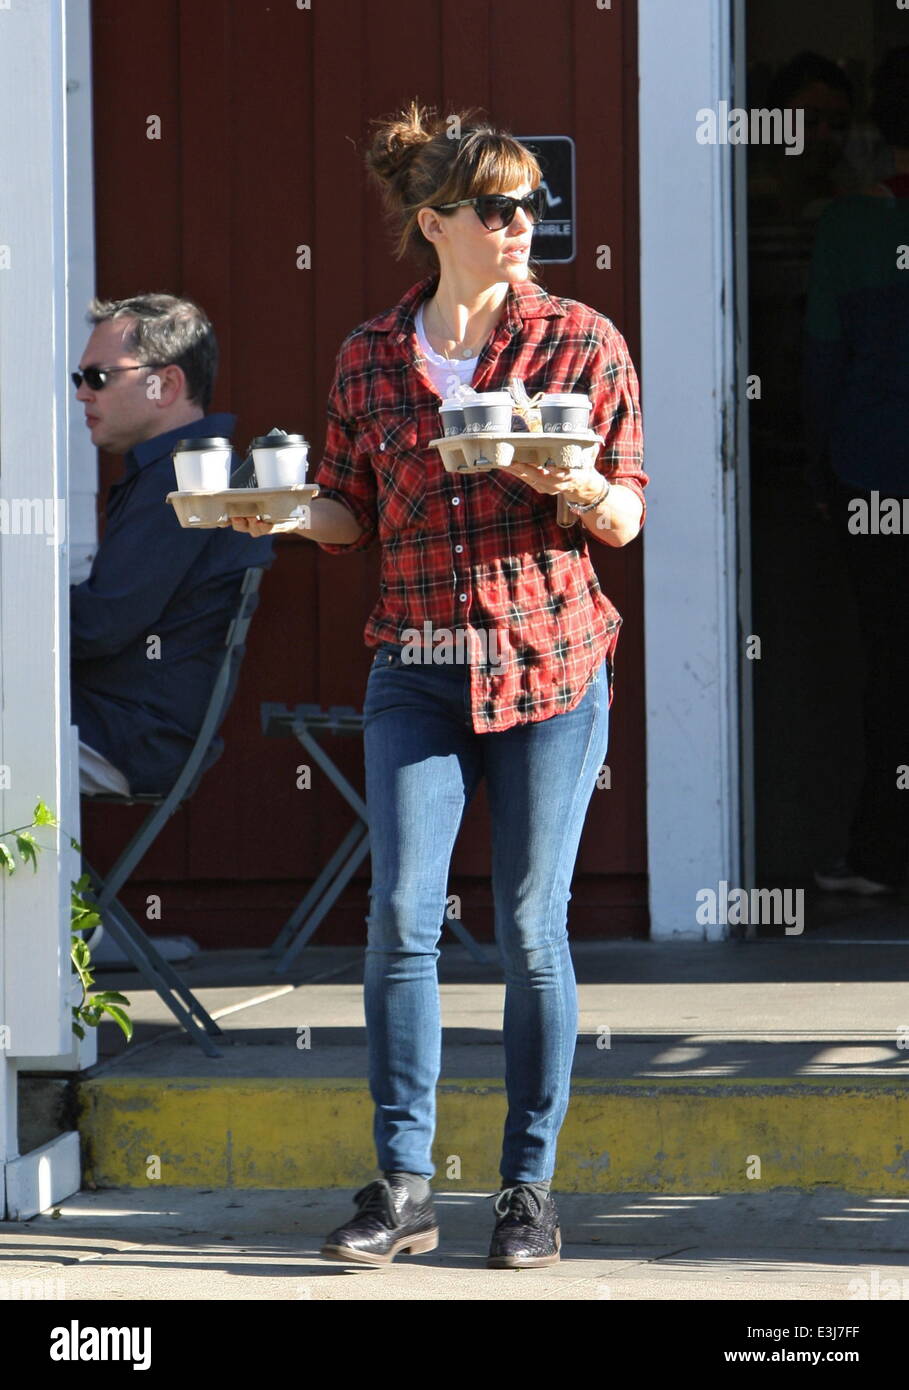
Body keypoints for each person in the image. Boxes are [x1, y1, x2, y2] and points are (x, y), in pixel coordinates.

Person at [232, 102, 647, 1269]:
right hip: (415, 666)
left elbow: (624, 514)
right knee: (403, 915)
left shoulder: (581, 341)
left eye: (531, 206)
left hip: (549, 665)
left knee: (529, 925)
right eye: (497, 207)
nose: (521, 224)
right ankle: (404, 1188)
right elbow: (347, 512)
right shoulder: (370, 354)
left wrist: (558, 476)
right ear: (435, 222)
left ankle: (527, 1190)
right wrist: (281, 515)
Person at [71, 293, 273, 798]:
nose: (82, 394)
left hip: (125, 733)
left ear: (166, 384)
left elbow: (100, 626)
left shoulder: (187, 481)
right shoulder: (189, 471)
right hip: (124, 723)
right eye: (80, 379)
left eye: (98, 377)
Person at [802, 49, 909, 895]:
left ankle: (883, 851)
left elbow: (820, 366)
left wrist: (813, 470)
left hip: (874, 471)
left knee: (890, 660)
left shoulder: (848, 227)